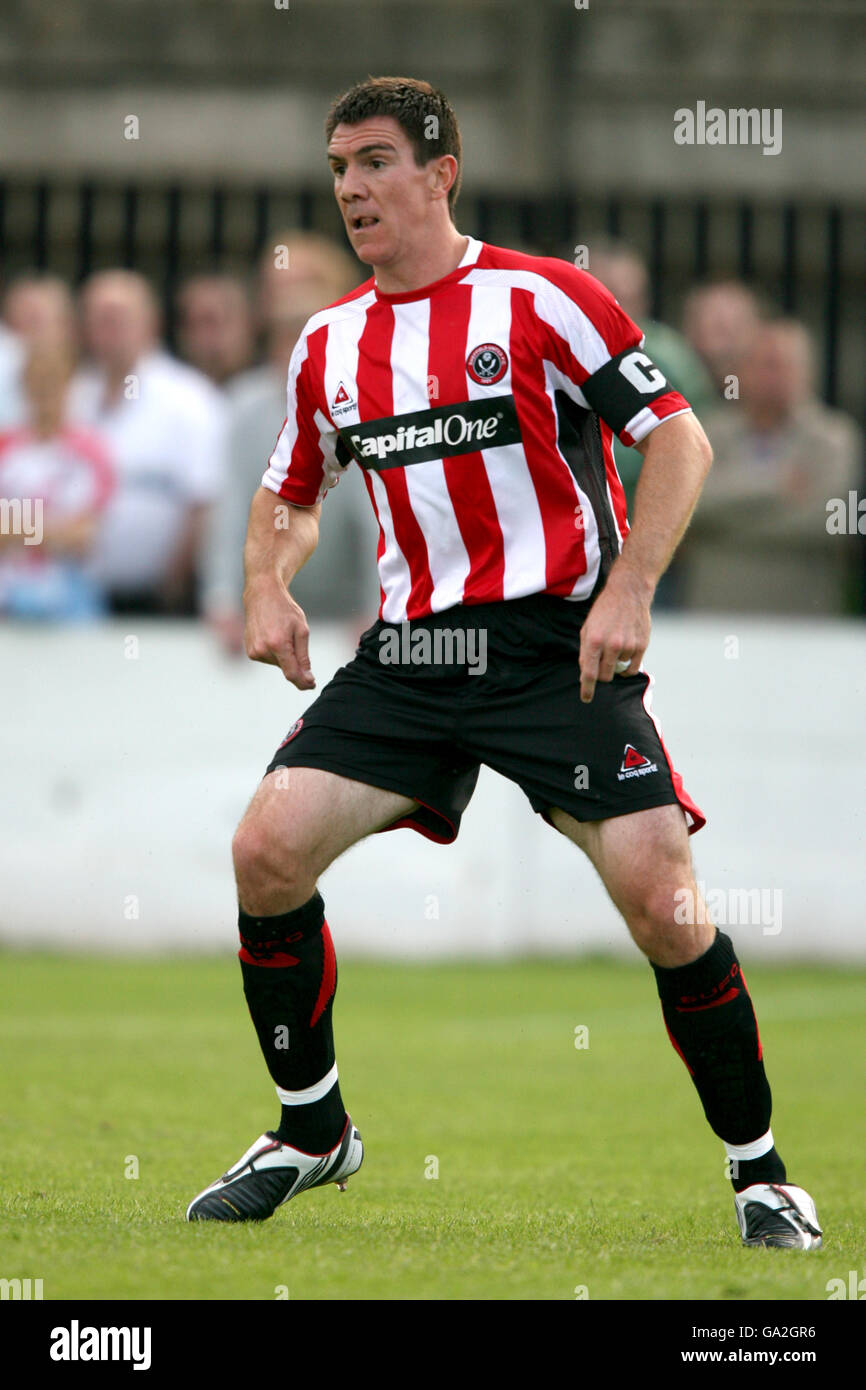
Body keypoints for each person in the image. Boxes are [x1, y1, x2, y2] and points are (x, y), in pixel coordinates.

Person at [186, 77, 821, 1250]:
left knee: (663, 902)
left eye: (375, 162)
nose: (352, 190)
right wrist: (263, 585)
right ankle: (310, 1128)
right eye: (337, 170)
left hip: (550, 652)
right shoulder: (330, 343)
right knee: (263, 849)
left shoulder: (540, 299)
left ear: (441, 173)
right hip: (412, 654)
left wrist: (627, 587)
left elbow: (674, 437)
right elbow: (289, 493)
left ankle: (760, 1173)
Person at [202, 233, 378, 657]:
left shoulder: (365, 403)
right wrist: (224, 601)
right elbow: (229, 509)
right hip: (268, 613)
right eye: (282, 328)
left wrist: (379, 610)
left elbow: (377, 516)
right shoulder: (244, 406)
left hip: (349, 617)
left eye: (301, 323)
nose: (290, 342)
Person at [681, 317, 862, 615]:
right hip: (714, 616)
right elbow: (688, 506)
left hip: (804, 618)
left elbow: (829, 522)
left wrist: (721, 527)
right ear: (741, 370)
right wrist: (774, 485)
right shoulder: (705, 431)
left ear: (808, 371)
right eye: (767, 364)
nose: (776, 376)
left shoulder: (834, 438)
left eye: (786, 364)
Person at [70, 271, 225, 615]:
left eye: (118, 317)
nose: (107, 328)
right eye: (98, 318)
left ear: (150, 322)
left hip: (161, 601)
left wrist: (173, 586)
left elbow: (205, 503)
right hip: (73, 598)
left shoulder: (191, 399)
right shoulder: (71, 396)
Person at [0, 340, 115, 621]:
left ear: (68, 383)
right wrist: (54, 528)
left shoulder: (91, 450)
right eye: (37, 380)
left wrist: (19, 526)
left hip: (71, 597)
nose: (44, 390)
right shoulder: (6, 447)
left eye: (53, 380)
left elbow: (85, 535)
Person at [175, 274, 256, 389]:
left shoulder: (281, 386)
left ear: (249, 323)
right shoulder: (172, 396)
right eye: (205, 322)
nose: (214, 335)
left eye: (226, 319)